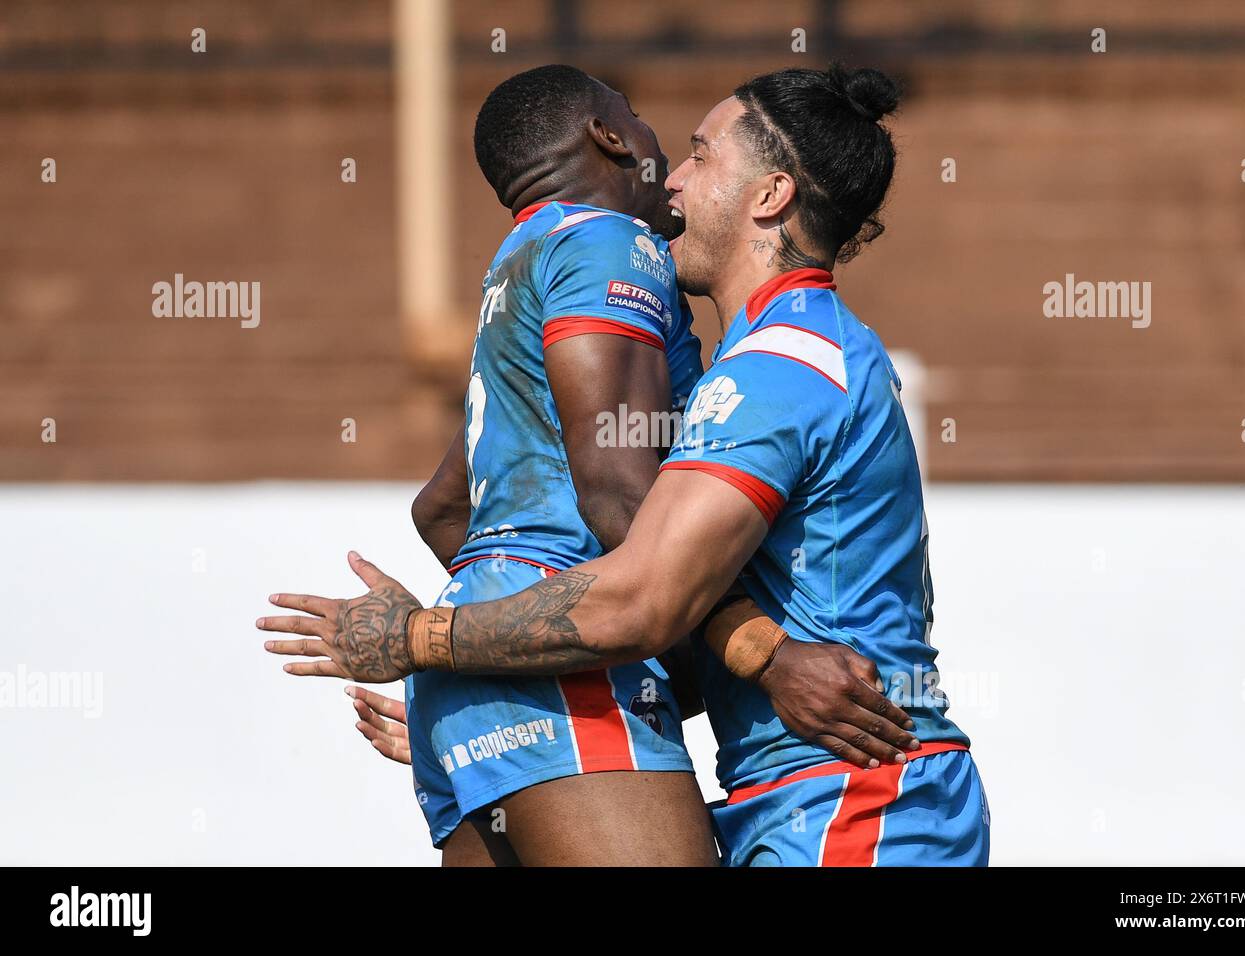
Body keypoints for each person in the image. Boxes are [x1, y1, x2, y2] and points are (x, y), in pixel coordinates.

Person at [264, 64, 915, 866]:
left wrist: (484, 675)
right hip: (574, 655)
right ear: (608, 137)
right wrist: (756, 653)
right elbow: (618, 498)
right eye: (653, 130)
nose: (672, 172)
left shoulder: (521, 259)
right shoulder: (614, 242)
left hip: (497, 657)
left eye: (699, 156)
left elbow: (441, 507)